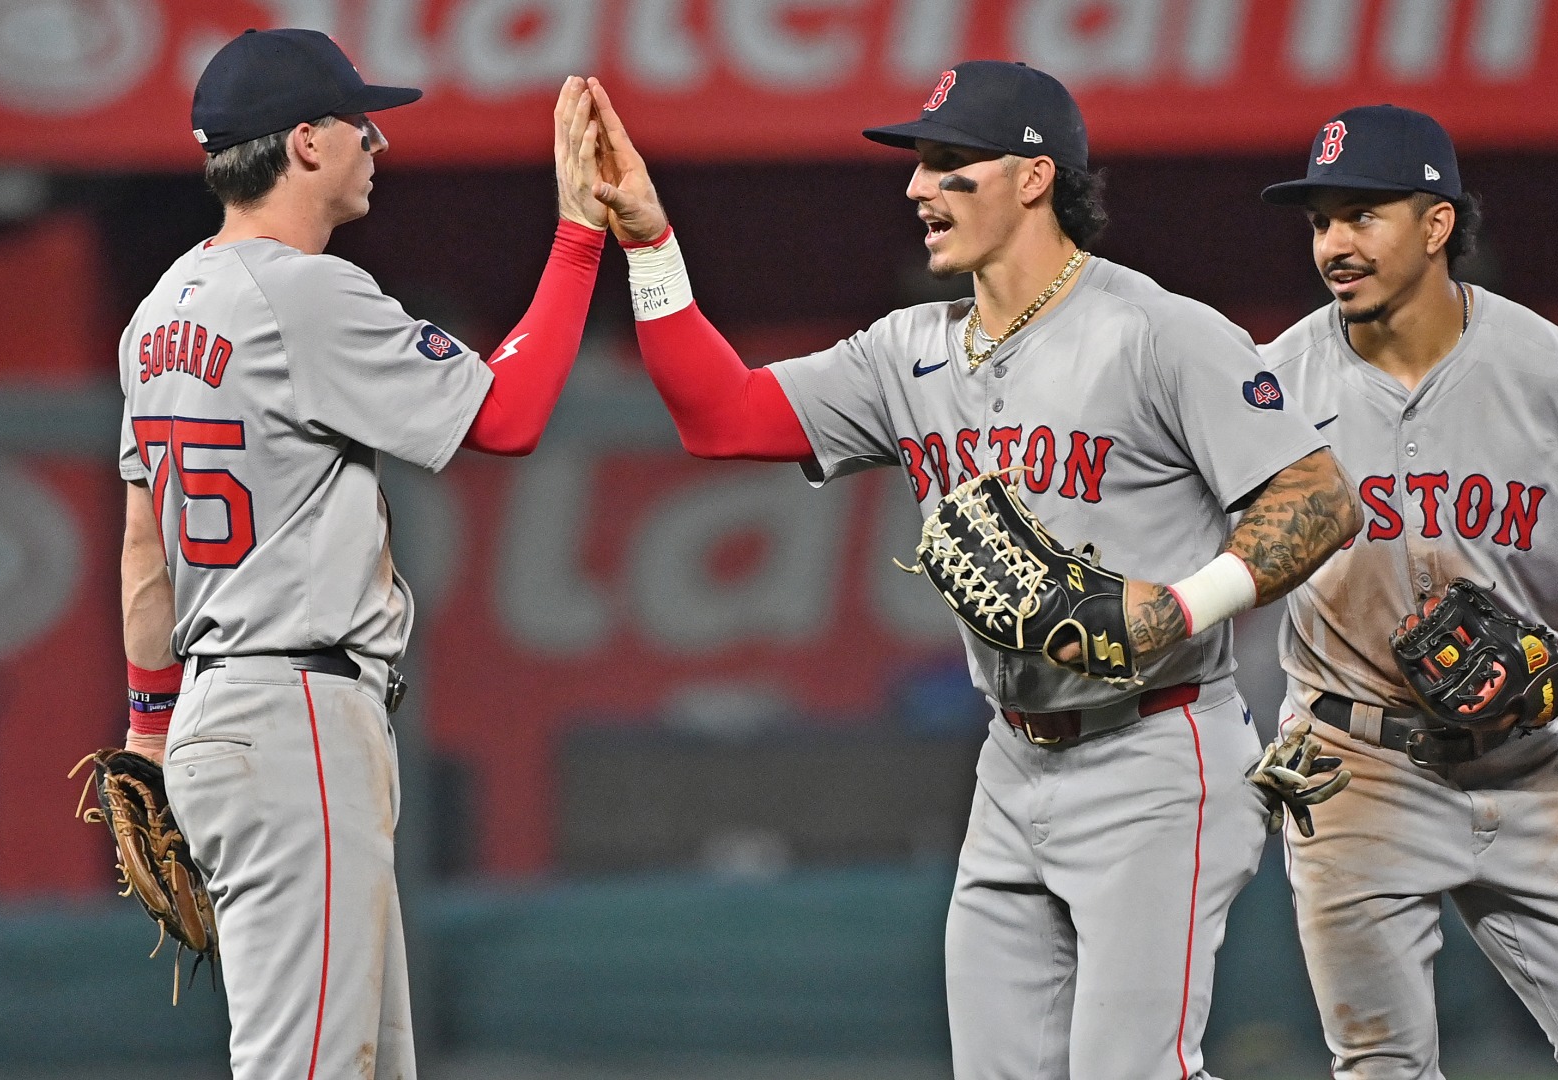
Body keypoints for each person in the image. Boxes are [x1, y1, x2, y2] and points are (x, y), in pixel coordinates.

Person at [582, 62, 1363, 1079]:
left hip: (1155, 755)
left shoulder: (1156, 330)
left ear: (1033, 176)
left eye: (951, 165)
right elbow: (721, 417)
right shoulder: (906, 352)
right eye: (921, 166)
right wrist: (647, 241)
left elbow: (1319, 499)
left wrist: (1178, 606)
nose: (918, 188)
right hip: (1012, 764)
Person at [114, 30, 611, 1078]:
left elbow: (144, 550)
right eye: (357, 123)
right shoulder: (303, 293)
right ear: (303, 144)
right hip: (292, 715)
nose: (376, 140)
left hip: (217, 710)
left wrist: (152, 727)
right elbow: (507, 417)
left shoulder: (159, 311)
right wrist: (578, 236)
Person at [1257, 104, 1558, 1080]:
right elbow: (1179, 543)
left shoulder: (1550, 369)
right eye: (1320, 221)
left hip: (1524, 763)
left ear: (1436, 224)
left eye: (1362, 214)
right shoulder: (1272, 385)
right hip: (1354, 769)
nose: (1334, 243)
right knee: (1382, 1067)